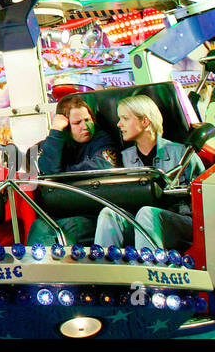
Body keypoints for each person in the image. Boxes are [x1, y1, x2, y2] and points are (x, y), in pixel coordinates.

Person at [94, 95, 204, 252]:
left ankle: (150, 269)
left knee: (146, 213)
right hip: (142, 222)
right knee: (108, 214)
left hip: (183, 223)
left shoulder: (182, 155)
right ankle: (104, 272)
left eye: (125, 118)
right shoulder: (125, 158)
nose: (119, 124)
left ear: (145, 121)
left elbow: (204, 195)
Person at [26, 95, 121, 247]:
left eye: (87, 120)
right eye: (77, 123)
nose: (85, 126)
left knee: (64, 230)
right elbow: (48, 170)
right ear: (66, 126)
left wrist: (61, 174)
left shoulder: (102, 140)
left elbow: (103, 166)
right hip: (60, 213)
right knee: (38, 227)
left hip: (94, 213)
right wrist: (56, 131)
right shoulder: (55, 142)